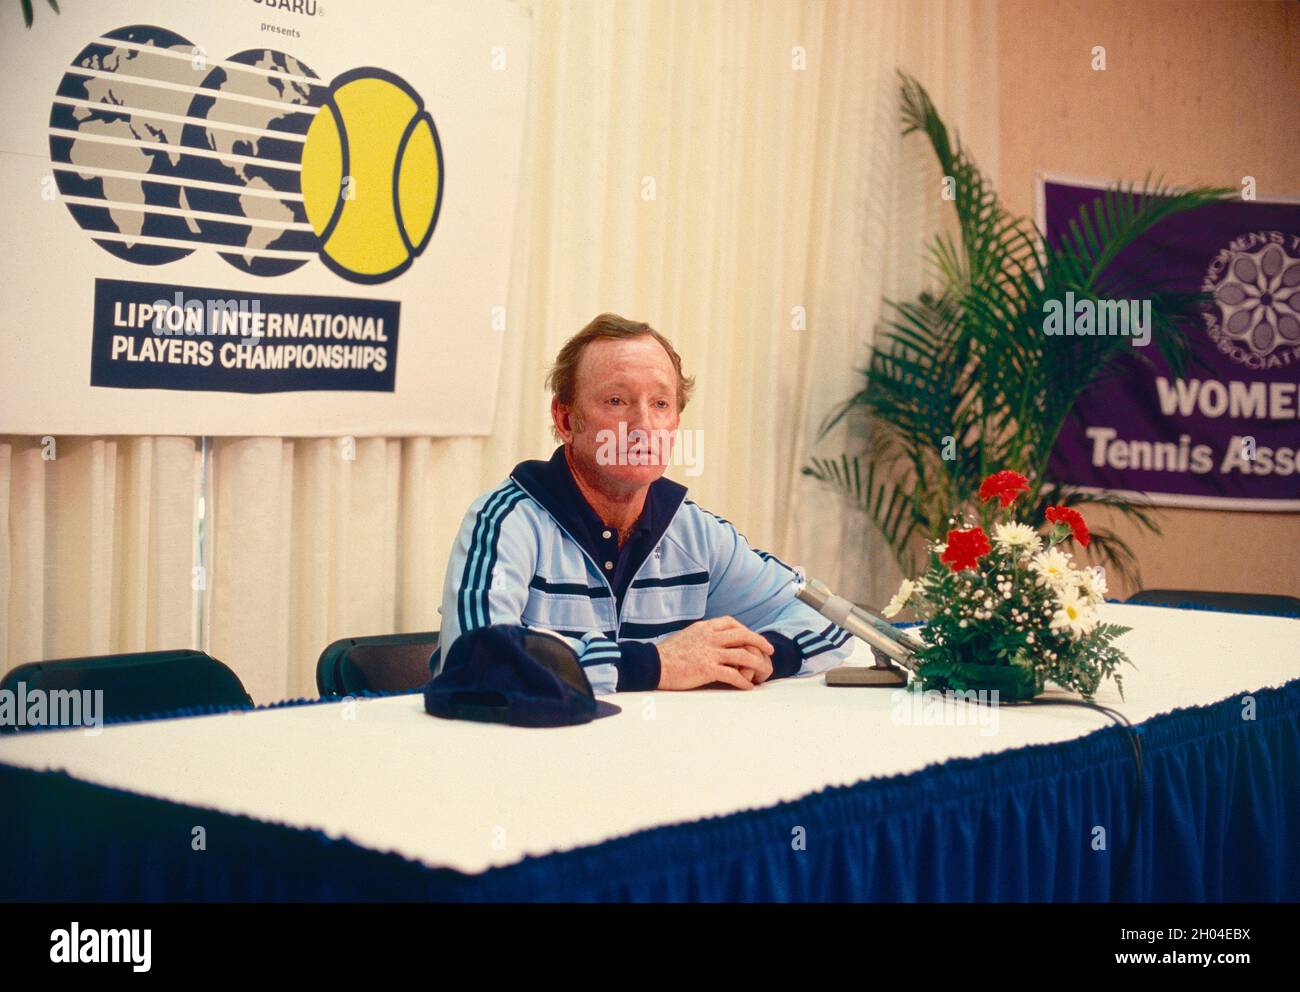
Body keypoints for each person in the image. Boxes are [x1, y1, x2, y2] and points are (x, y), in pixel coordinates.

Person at [436, 313, 853, 692]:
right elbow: (477, 659)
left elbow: (831, 616)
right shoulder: (507, 521)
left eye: (660, 404)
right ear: (566, 420)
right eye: (616, 401)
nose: (643, 426)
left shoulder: (693, 532)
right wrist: (656, 664)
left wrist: (758, 656)